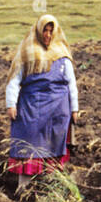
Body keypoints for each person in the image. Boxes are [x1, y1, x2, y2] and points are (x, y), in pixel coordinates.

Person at [6, 13, 79, 191]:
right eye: (44, 30)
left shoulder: (62, 54)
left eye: (50, 31)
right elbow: (14, 81)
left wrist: (75, 109)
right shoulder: (27, 52)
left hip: (58, 108)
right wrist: (11, 104)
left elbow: (72, 84)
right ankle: (23, 187)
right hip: (32, 106)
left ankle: (49, 185)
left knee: (54, 142)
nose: (47, 35)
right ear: (38, 31)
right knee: (28, 142)